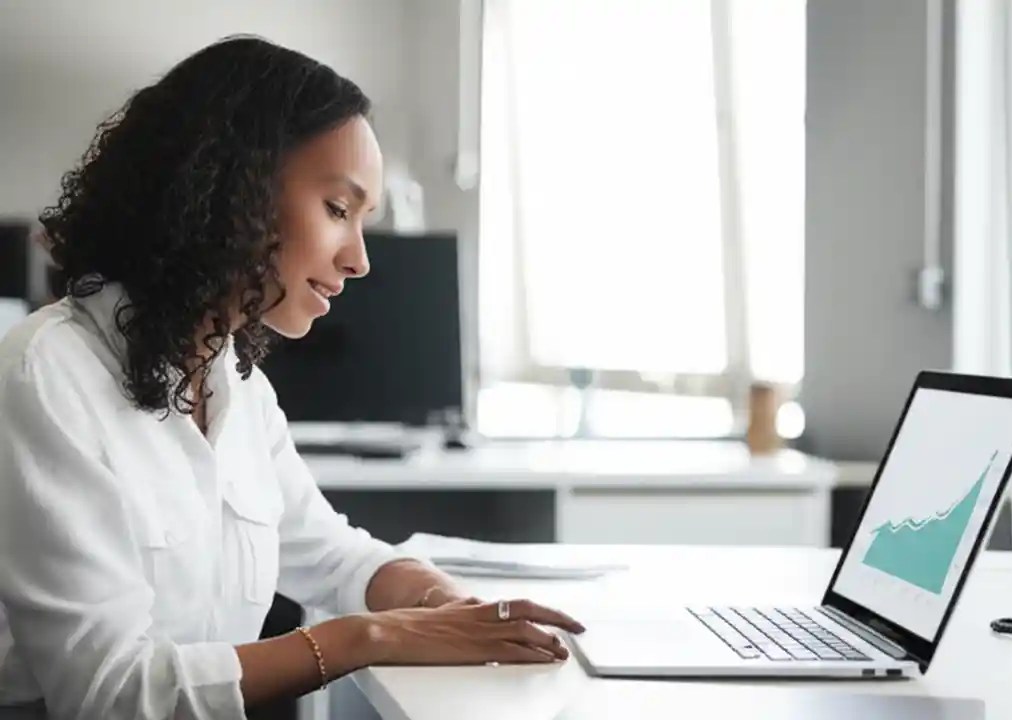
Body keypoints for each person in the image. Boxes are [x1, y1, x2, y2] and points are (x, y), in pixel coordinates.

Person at [0, 36, 584, 719]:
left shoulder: (235, 386)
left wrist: (448, 604)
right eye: (338, 209)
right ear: (231, 190)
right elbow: (110, 691)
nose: (360, 259)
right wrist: (366, 638)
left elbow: (333, 557)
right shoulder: (45, 377)